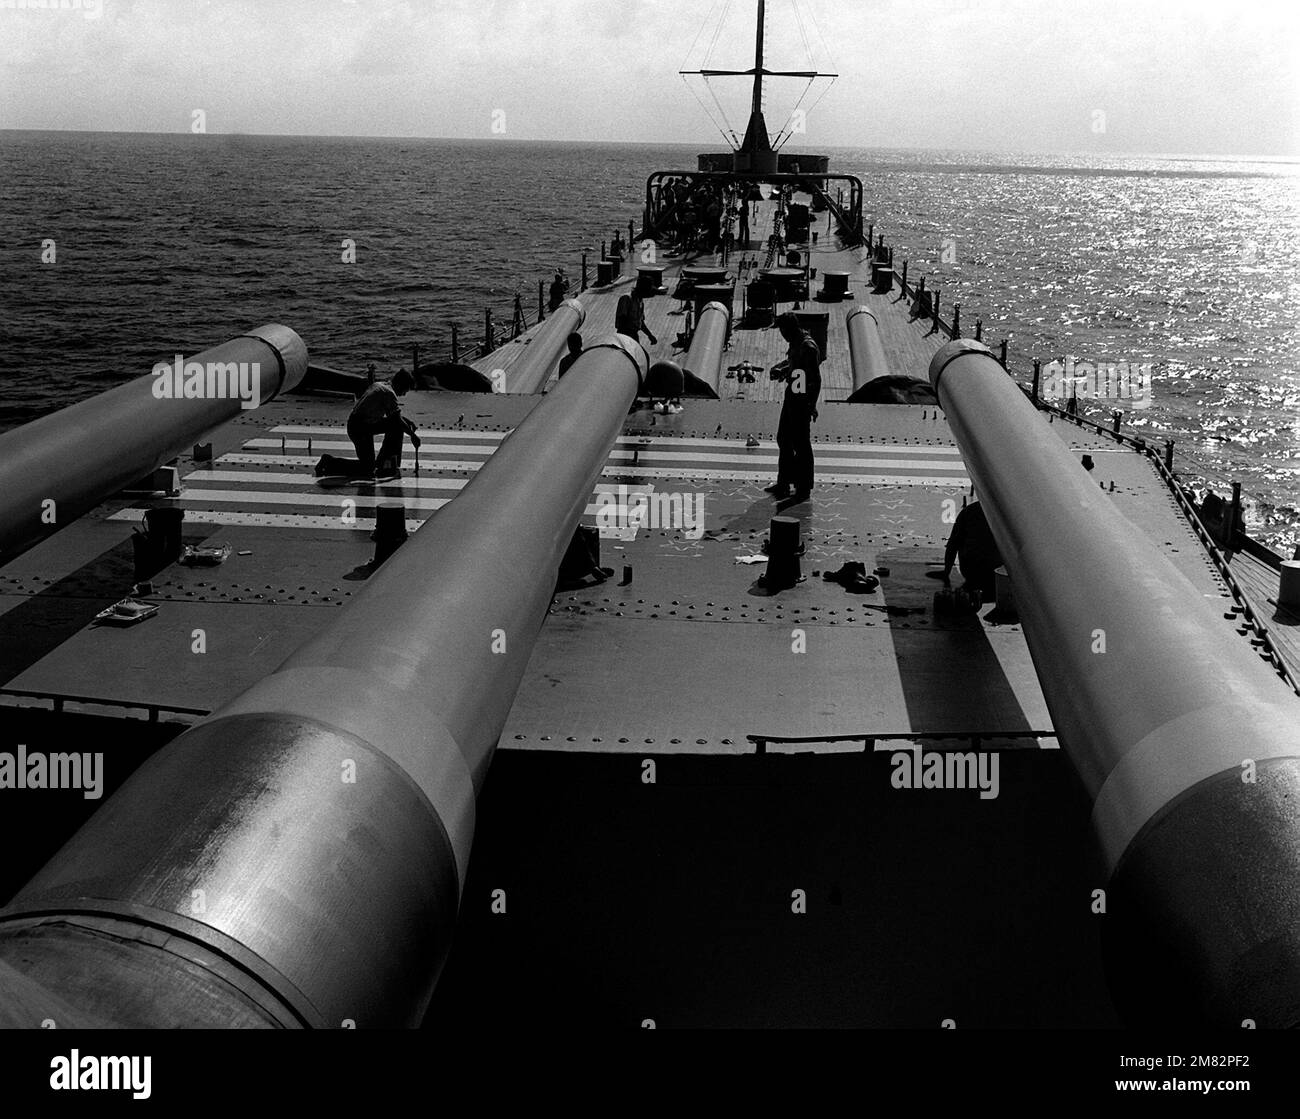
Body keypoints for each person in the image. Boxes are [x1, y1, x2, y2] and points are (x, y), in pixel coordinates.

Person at [765, 312, 821, 501]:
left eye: (783, 330)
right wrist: (781, 370)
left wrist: (811, 405)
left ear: (790, 328)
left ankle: (804, 486)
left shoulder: (808, 347)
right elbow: (795, 367)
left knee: (801, 444)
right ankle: (784, 483)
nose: (782, 335)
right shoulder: (796, 342)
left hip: (801, 399)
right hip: (793, 395)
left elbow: (815, 379)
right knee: (784, 439)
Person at [346, 368, 419, 479]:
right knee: (367, 468)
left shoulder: (380, 385)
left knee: (396, 426)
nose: (403, 395)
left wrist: (407, 422)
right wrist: (413, 436)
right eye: (405, 390)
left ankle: (385, 463)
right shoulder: (389, 394)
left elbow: (395, 417)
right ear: (400, 385)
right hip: (359, 429)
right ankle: (330, 463)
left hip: (360, 424)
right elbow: (397, 420)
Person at [939, 500, 1002, 602]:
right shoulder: (1006, 513)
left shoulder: (969, 511)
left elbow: (953, 545)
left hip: (972, 572)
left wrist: (946, 572)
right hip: (997, 575)